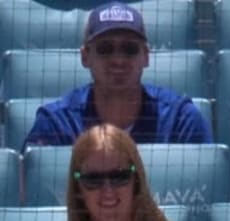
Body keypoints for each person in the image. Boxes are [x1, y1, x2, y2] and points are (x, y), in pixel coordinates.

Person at [24, 3, 212, 148]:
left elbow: (207, 188)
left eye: (129, 49)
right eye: (105, 49)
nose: (118, 60)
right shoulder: (57, 123)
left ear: (146, 56)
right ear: (85, 56)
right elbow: (30, 194)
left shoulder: (180, 119)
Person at [31, 124, 210, 221]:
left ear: (136, 181)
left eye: (119, 176)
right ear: (78, 190)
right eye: (93, 179)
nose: (107, 191)